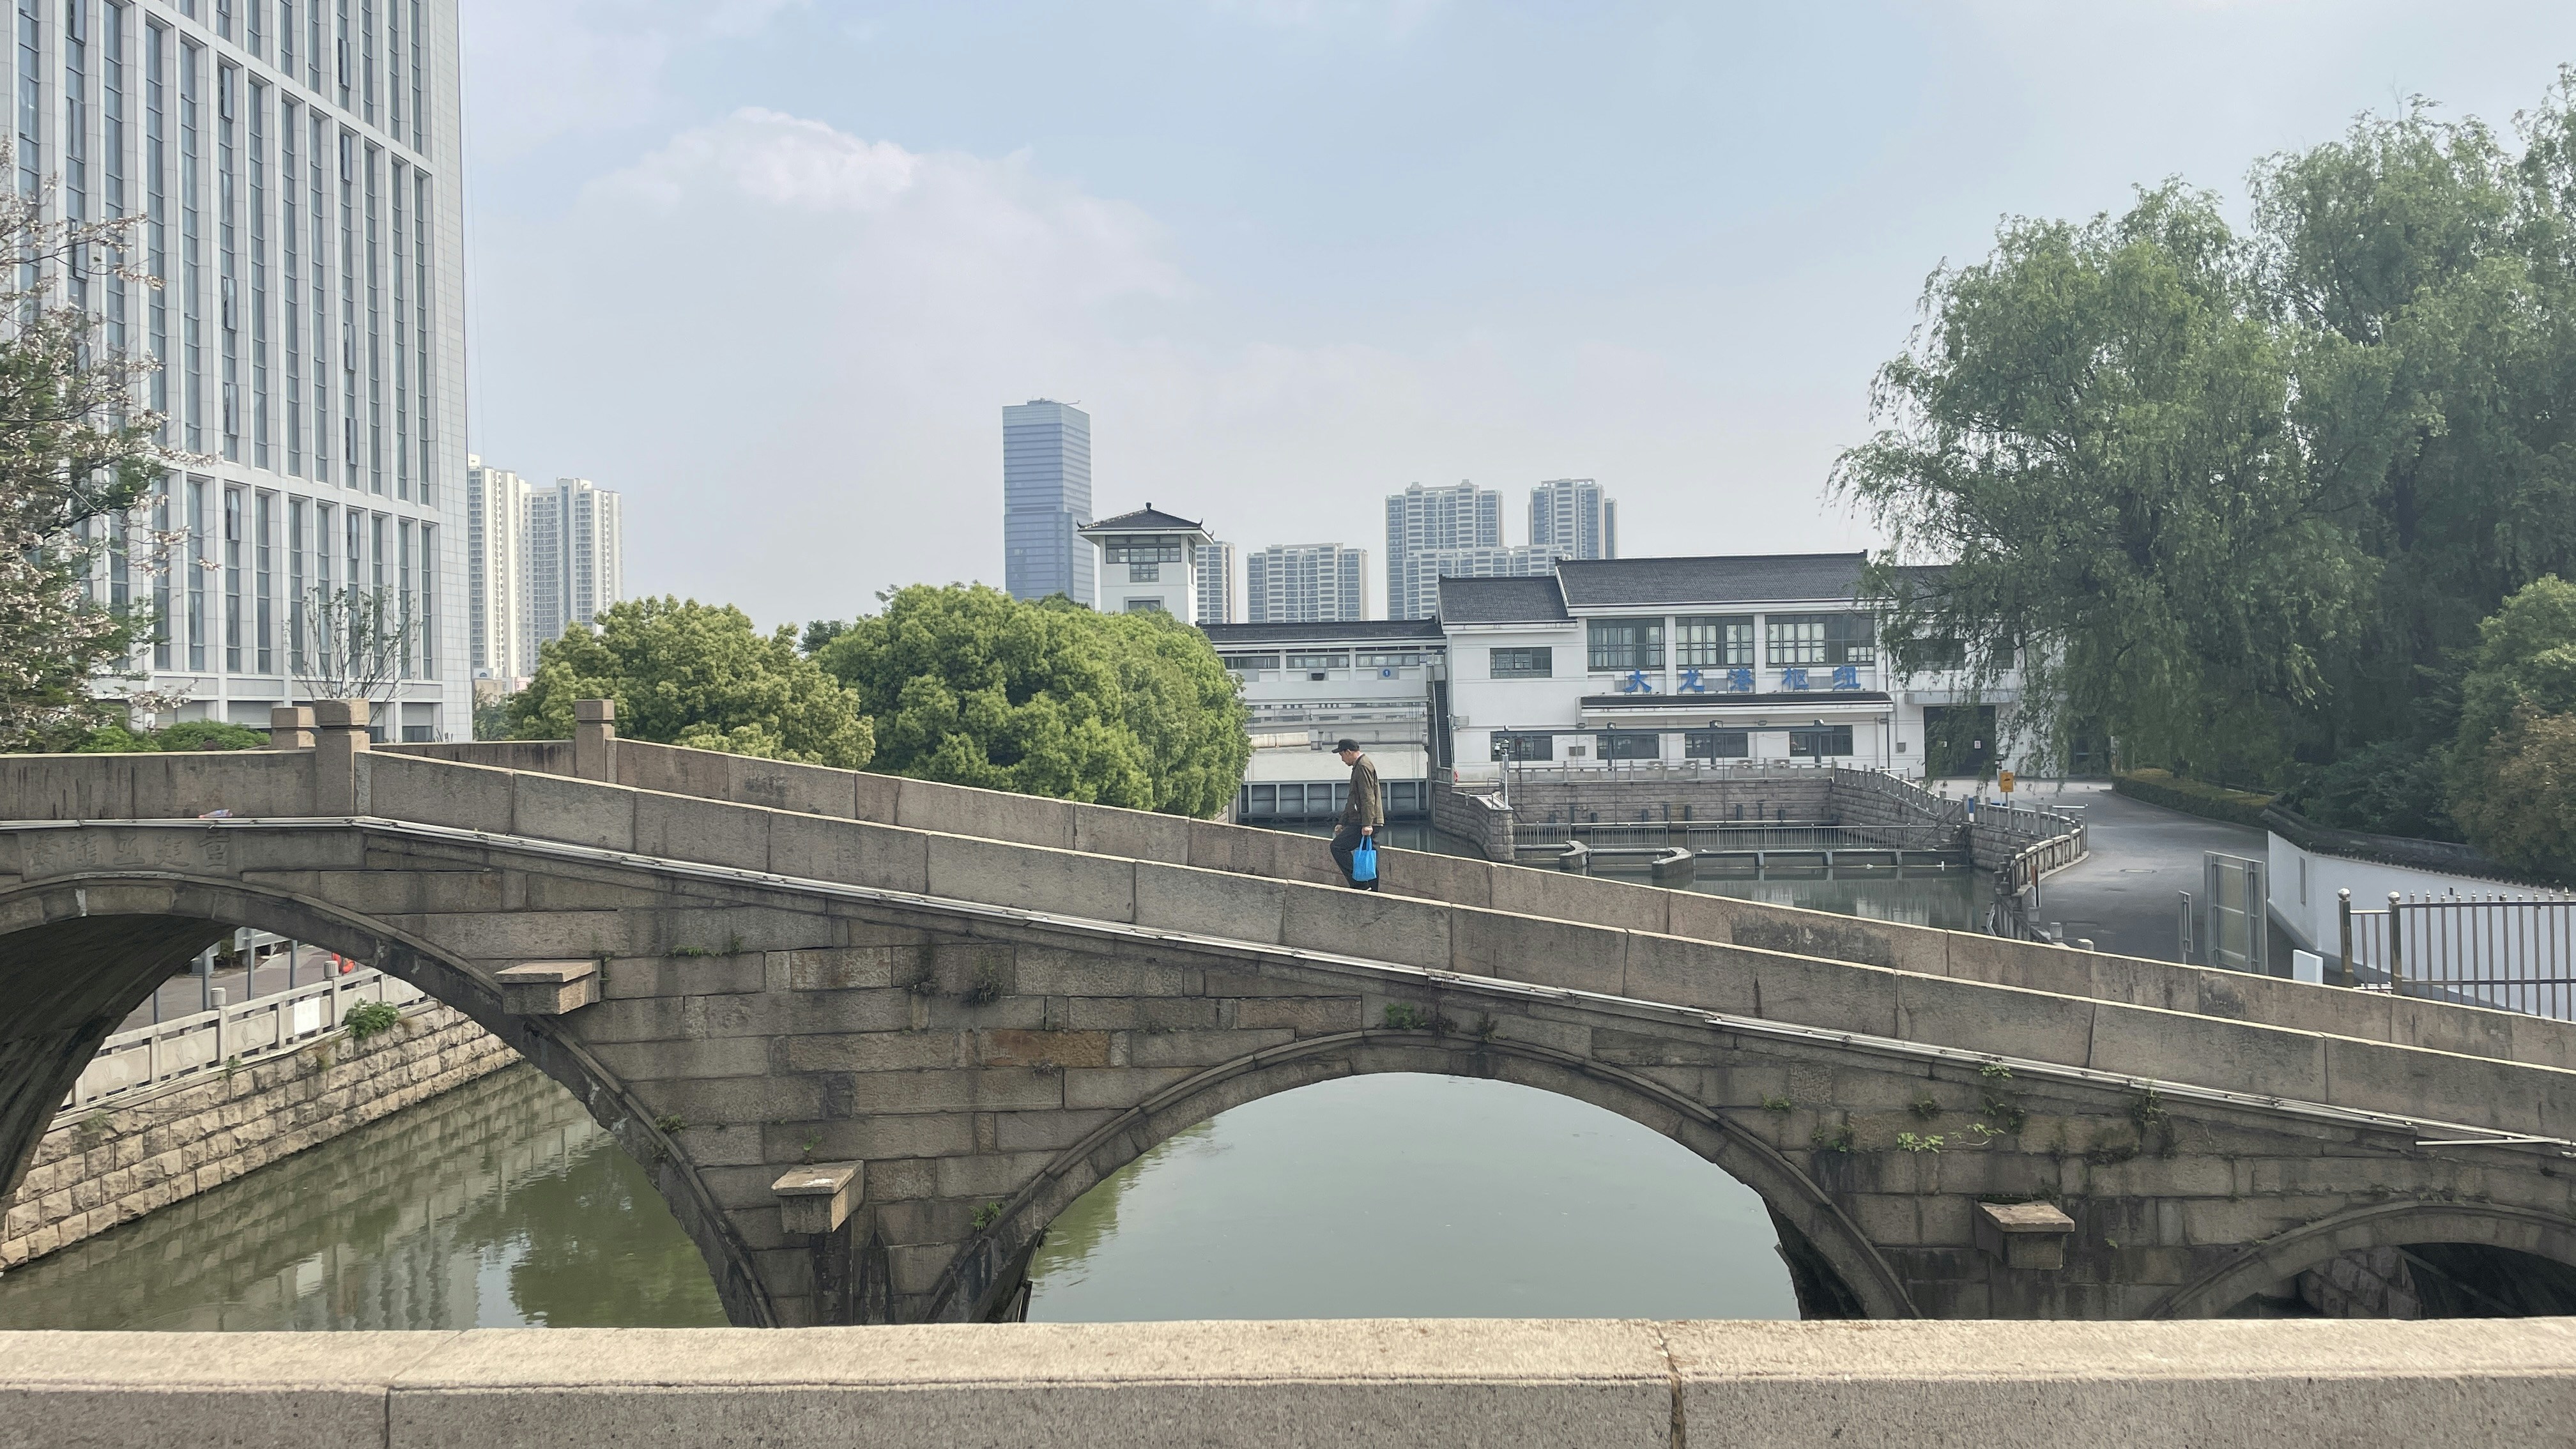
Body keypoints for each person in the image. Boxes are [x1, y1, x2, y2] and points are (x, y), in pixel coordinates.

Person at [1328, 738, 1383, 890]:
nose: (1342, 760)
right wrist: (1342, 821)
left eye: (1342, 755)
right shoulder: (1360, 765)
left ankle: (1360, 884)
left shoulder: (1363, 766)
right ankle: (1373, 890)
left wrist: (1367, 824)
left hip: (1366, 821)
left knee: (1338, 847)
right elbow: (1353, 798)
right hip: (1365, 820)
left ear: (1349, 752)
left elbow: (1367, 797)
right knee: (1369, 854)